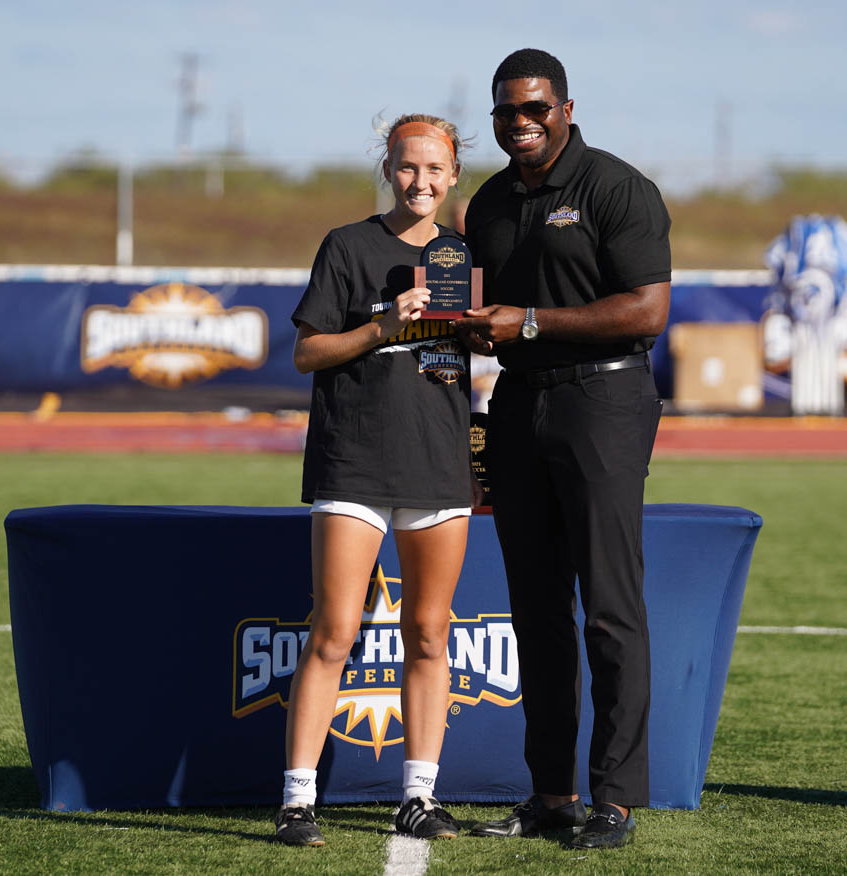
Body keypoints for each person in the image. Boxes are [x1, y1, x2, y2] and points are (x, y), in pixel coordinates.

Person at [454, 48, 671, 850]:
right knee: (535, 613)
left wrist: (534, 321)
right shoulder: (489, 204)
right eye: (507, 111)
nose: (522, 122)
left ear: (566, 109)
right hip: (516, 401)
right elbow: (476, 310)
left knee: (610, 609)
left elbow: (648, 311)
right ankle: (551, 795)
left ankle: (614, 801)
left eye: (535, 108)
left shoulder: (616, 188)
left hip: (604, 398)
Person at [277, 114, 477, 847]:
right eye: (406, 166)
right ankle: (298, 801)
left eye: (434, 170)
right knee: (333, 631)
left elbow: (474, 353)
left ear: (454, 176)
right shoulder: (347, 246)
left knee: (430, 633)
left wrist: (485, 329)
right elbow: (307, 354)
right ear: (387, 168)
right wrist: (381, 327)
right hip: (355, 462)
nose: (420, 181)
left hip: (437, 464)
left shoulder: (465, 253)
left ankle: (417, 796)